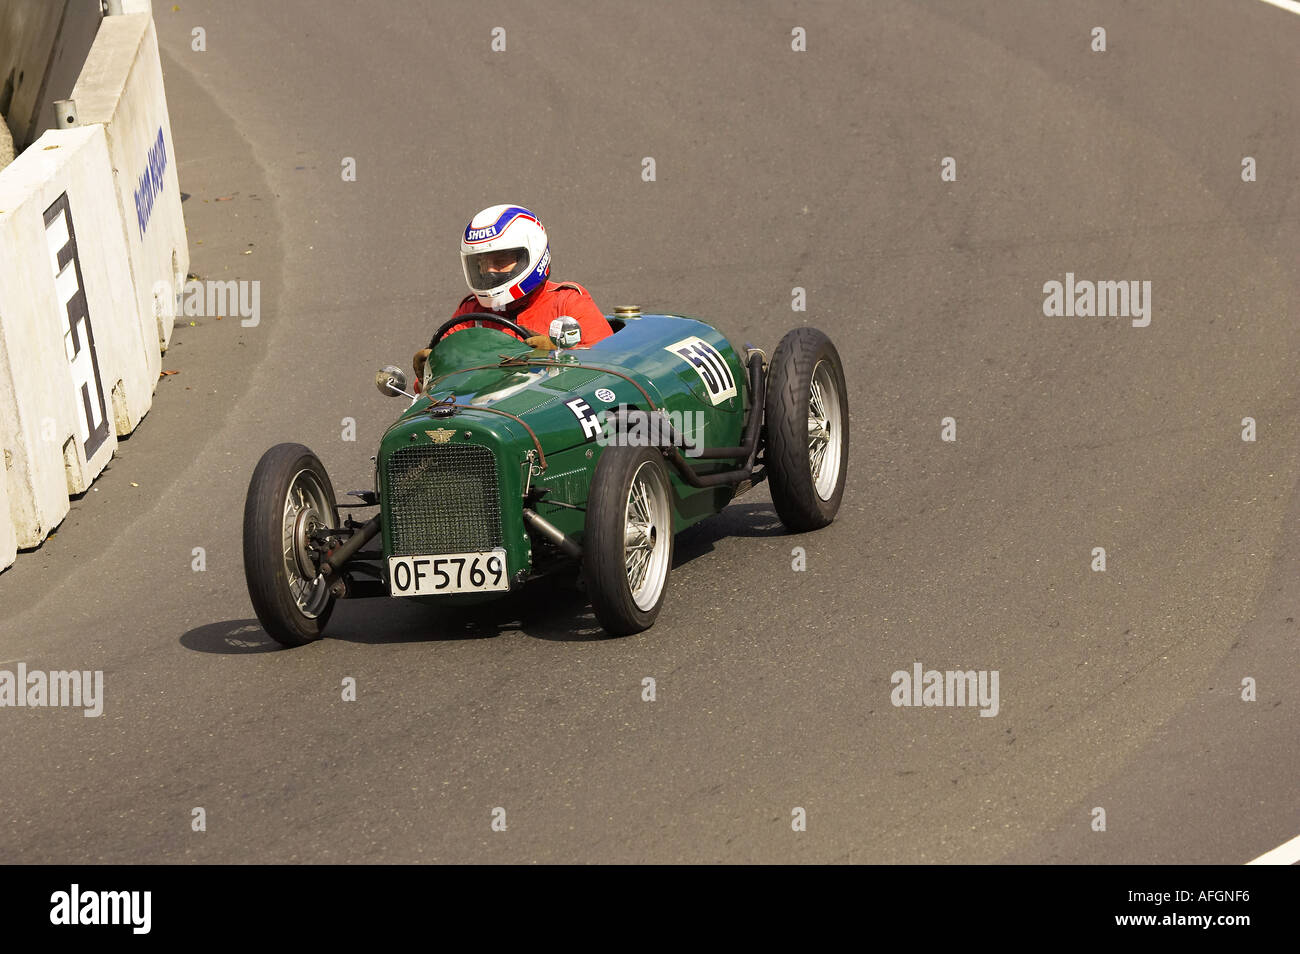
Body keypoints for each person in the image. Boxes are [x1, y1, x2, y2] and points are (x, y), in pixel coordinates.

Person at [413, 205, 612, 382]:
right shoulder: (471, 312)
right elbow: (434, 389)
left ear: (532, 254)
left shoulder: (566, 302)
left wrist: (557, 353)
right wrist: (433, 369)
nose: (489, 271)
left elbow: (609, 365)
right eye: (482, 264)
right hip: (487, 412)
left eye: (500, 262)